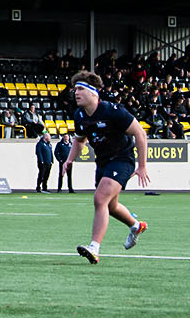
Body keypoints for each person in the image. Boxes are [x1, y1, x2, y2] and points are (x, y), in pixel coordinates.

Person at [66, 72, 149, 264]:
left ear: (94, 93)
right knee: (110, 206)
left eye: (80, 89)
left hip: (122, 159)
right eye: (75, 89)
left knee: (100, 198)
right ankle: (136, 226)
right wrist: (69, 160)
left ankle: (94, 248)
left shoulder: (113, 111)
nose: (75, 93)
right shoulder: (79, 115)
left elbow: (140, 133)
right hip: (103, 162)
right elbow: (80, 140)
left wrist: (142, 166)